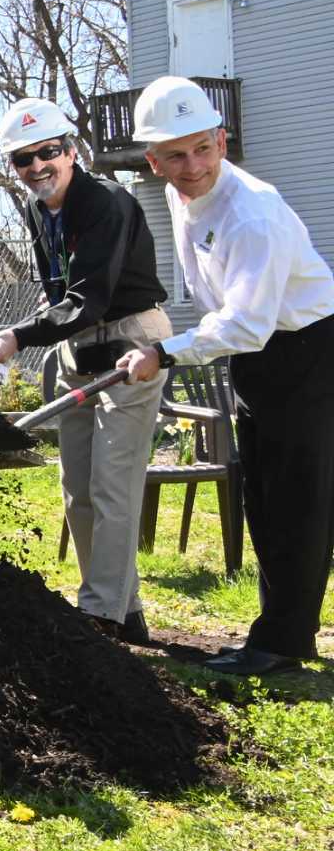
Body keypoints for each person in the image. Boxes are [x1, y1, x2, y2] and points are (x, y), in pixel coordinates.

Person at [117, 77, 334, 676]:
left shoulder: (253, 213)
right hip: (259, 356)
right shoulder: (178, 195)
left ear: (221, 139)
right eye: (176, 156)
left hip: (306, 350)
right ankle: (283, 631)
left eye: (203, 149)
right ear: (153, 161)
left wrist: (165, 351)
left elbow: (247, 322)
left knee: (296, 499)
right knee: (262, 495)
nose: (193, 167)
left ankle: (282, 643)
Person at [0, 97, 170, 643]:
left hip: (131, 341)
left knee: (113, 483)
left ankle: (100, 617)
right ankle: (122, 611)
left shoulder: (106, 203)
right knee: (77, 486)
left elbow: (91, 298)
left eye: (48, 152)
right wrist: (28, 333)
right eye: (22, 159)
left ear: (71, 150)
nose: (38, 166)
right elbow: (58, 294)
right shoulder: (39, 211)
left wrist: (20, 335)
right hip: (75, 346)